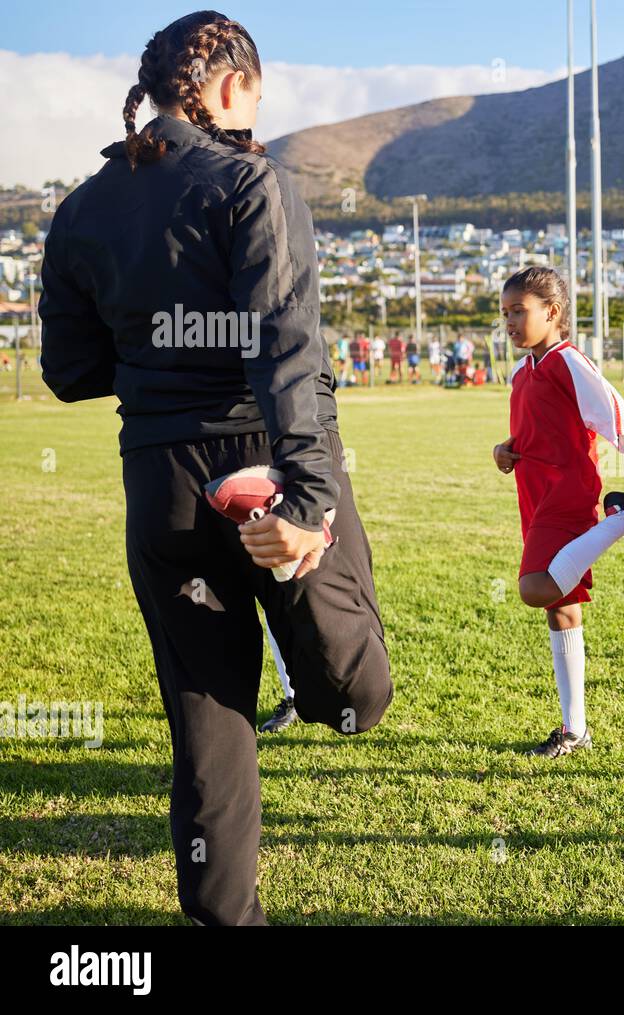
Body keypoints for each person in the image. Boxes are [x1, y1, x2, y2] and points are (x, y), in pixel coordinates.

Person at [38, 10, 392, 925]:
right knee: (358, 693)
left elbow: (70, 373)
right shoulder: (248, 182)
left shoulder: (79, 208)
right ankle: (320, 686)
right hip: (264, 461)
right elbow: (286, 355)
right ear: (230, 87)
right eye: (259, 93)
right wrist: (308, 503)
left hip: (159, 483)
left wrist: (161, 358)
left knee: (208, 725)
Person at [493, 266, 624, 757]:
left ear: (552, 313)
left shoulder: (570, 363)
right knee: (561, 608)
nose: (509, 321)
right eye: (505, 313)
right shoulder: (522, 371)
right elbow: (536, 431)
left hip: (567, 498)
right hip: (533, 499)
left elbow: (622, 427)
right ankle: (574, 729)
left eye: (519, 311)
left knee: (536, 590)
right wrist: (505, 449)